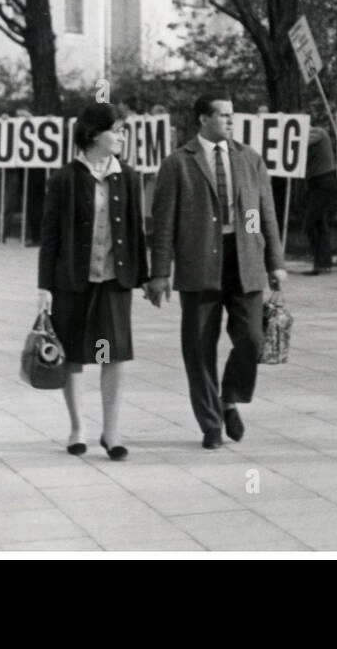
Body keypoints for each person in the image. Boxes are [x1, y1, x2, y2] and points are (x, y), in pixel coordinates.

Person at [146, 94, 286, 450]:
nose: (230, 121)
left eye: (231, 116)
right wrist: (160, 273)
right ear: (203, 120)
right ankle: (210, 423)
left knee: (252, 338)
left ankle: (230, 397)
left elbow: (265, 212)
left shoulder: (249, 159)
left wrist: (276, 263)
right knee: (198, 348)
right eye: (223, 116)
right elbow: (162, 224)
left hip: (245, 261)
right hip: (199, 265)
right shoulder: (178, 163)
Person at [37, 102, 149, 460]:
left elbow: (137, 229)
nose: (121, 136)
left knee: (111, 353)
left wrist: (145, 277)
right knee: (73, 354)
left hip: (114, 280)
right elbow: (50, 236)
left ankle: (111, 431)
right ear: (91, 135)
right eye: (115, 130)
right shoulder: (65, 179)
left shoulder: (128, 176)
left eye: (122, 130)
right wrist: (44, 287)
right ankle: (77, 428)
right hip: (71, 280)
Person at [302, 124, 337, 275]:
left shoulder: (318, 132)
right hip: (317, 182)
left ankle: (321, 262)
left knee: (311, 224)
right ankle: (323, 263)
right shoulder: (315, 137)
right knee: (319, 224)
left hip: (323, 182)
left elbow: (301, 140)